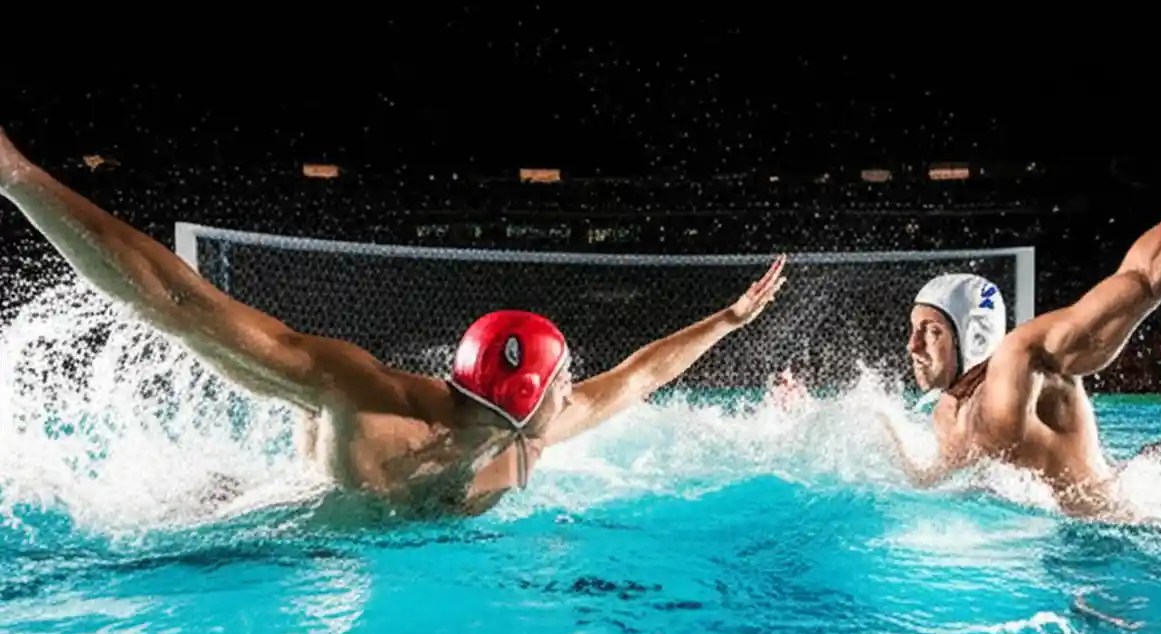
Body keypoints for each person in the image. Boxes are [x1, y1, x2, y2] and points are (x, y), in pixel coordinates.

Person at [0, 127, 787, 518]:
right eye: (566, 378)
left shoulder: (530, 428)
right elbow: (178, 302)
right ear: (527, 394)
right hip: (270, 525)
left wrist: (728, 318)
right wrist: (20, 177)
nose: (578, 390)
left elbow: (644, 374)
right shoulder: (358, 394)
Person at [884, 114, 1161, 517]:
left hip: (1109, 539)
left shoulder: (1025, 358)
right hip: (1040, 557)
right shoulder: (944, 415)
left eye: (930, 331)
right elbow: (942, 486)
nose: (912, 345)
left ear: (971, 334)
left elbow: (1145, 276)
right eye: (913, 330)